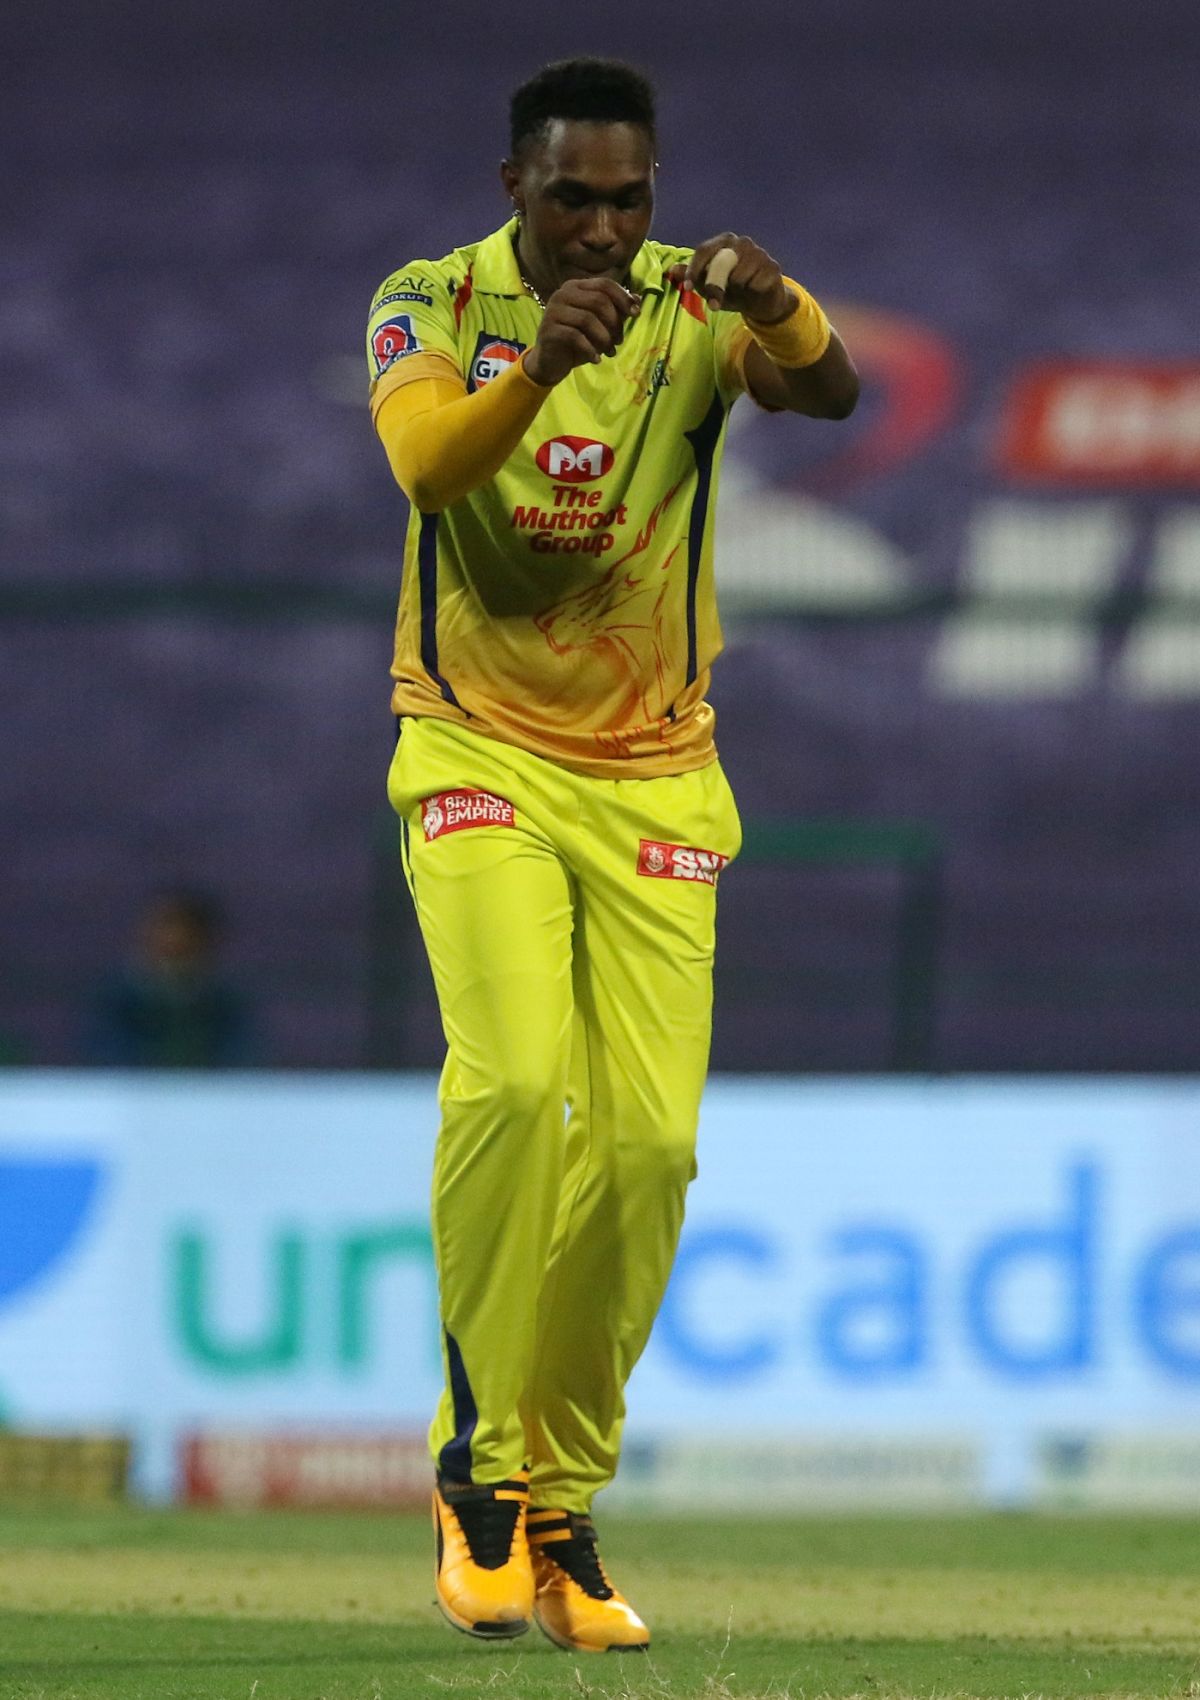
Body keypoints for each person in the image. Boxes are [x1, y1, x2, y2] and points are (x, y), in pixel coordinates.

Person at [367, 57, 858, 1653]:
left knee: (646, 1154)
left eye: (628, 197)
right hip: (477, 746)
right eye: (572, 195)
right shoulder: (431, 302)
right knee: (514, 1087)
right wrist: (526, 372)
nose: (603, 226)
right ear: (515, 186)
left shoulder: (684, 304)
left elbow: (834, 390)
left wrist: (776, 303)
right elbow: (429, 468)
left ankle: (567, 1509)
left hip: (657, 774)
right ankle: (480, 1474)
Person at [87, 889, 252, 1068]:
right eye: (164, 928)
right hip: (134, 1091)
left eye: (183, 930)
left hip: (208, 1091)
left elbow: (242, 1051)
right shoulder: (120, 997)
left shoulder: (224, 1000)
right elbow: (104, 1048)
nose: (173, 938)